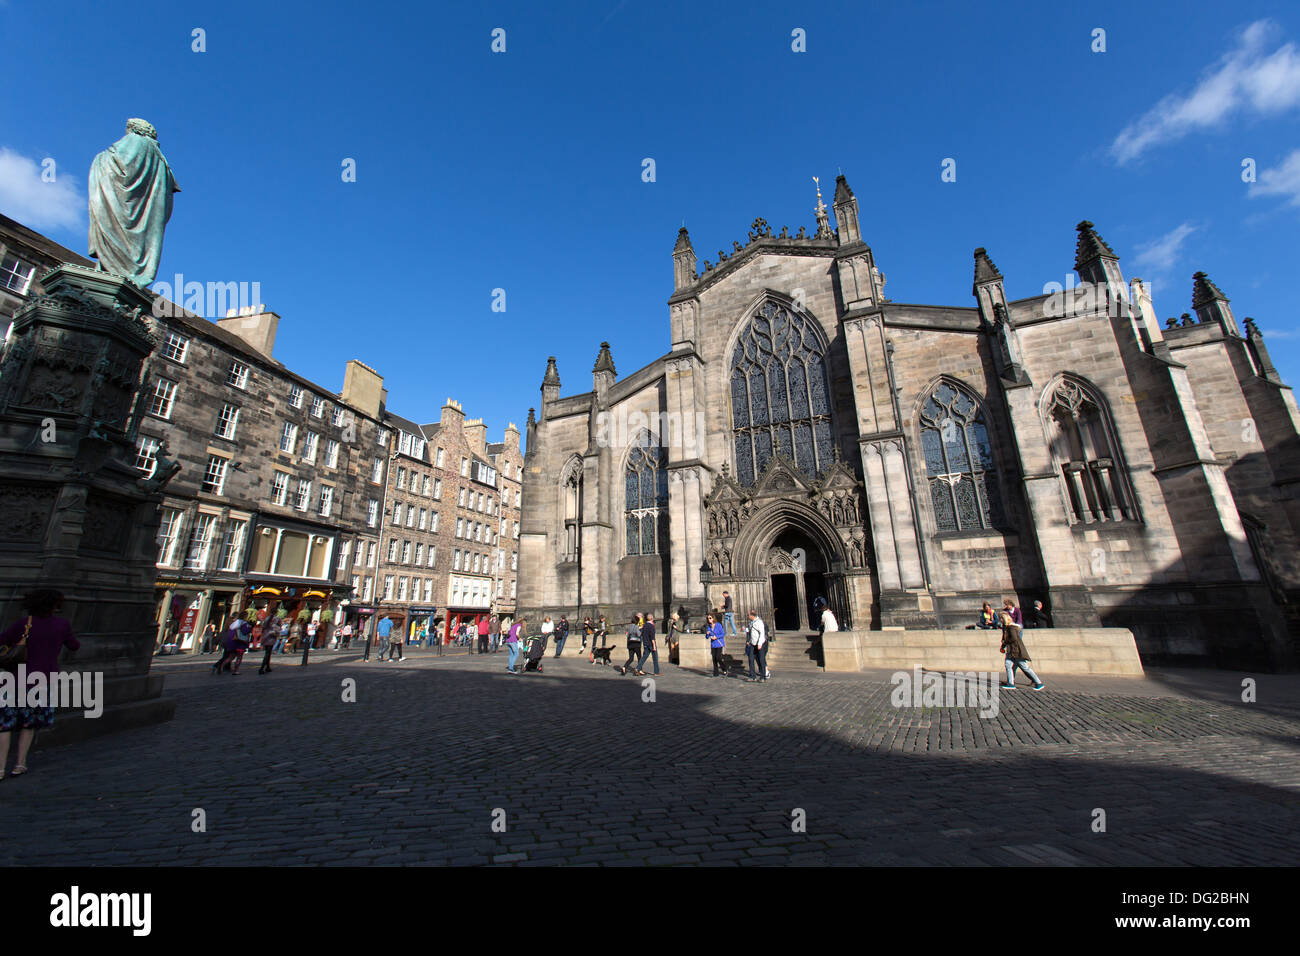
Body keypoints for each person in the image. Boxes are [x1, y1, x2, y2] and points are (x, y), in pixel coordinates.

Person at [0, 589, 81, 778]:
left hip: (15, 679)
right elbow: (74, 645)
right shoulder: (61, 625)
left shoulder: (23, 624)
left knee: (5, 724)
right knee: (29, 724)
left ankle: (1, 768)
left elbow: (2, 639)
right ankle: (20, 764)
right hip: (42, 681)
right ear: (55, 605)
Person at [999, 610, 1044, 690]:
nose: (1000, 620)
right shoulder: (1006, 627)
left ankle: (1039, 683)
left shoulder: (1011, 627)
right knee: (1008, 665)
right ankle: (1011, 683)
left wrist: (1005, 642)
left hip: (1016, 651)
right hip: (1012, 650)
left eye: (1001, 619)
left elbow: (1013, 638)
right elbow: (1005, 638)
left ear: (1004, 619)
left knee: (1024, 667)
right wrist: (1003, 646)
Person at [745, 609, 768, 682]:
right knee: (751, 659)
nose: (747, 616)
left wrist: (760, 643)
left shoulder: (759, 622)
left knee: (761, 659)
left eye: (748, 615)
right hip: (752, 643)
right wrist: (748, 641)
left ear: (752, 615)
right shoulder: (750, 623)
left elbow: (762, 633)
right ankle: (752, 676)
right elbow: (749, 632)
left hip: (759, 643)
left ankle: (763, 676)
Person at [706, 612, 726, 678]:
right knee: (714, 659)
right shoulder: (709, 627)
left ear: (713, 618)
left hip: (719, 643)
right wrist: (707, 634)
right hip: (713, 644)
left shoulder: (718, 625)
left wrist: (716, 637)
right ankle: (716, 673)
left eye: (710, 618)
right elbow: (707, 637)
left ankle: (724, 668)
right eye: (708, 618)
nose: (709, 619)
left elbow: (722, 634)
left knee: (718, 657)